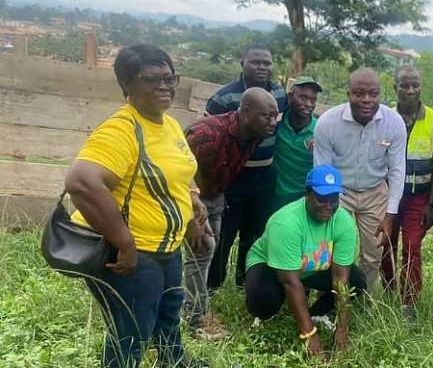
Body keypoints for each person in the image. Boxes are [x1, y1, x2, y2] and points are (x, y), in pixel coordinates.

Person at [64, 44, 207, 368]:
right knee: (132, 329)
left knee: (169, 310)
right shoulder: (122, 129)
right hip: (133, 255)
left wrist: (194, 199)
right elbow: (81, 182)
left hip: (165, 247)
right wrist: (123, 242)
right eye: (152, 79)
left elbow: (179, 170)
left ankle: (173, 361)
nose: (164, 87)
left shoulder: (167, 123)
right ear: (126, 85)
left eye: (170, 78)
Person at [183, 87, 279, 341]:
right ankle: (194, 321)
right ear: (245, 112)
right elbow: (176, 173)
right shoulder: (207, 134)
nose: (273, 123)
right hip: (189, 199)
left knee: (205, 254)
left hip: (215, 196)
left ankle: (193, 312)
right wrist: (192, 214)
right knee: (198, 254)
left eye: (275, 117)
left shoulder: (254, 133)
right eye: (267, 116)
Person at [244, 165, 366, 356]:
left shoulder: (343, 222)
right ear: (307, 194)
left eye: (333, 200)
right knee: (262, 300)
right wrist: (309, 334)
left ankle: (316, 313)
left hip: (310, 267)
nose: (328, 206)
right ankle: (272, 314)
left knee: (357, 282)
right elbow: (290, 282)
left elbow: (341, 280)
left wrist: (343, 328)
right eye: (321, 199)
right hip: (272, 266)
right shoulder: (286, 223)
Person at [314, 67, 407, 291]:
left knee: (373, 255)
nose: (367, 100)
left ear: (381, 95)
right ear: (348, 94)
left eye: (373, 94)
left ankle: (363, 302)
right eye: (359, 93)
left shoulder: (394, 123)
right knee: (333, 251)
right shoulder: (328, 123)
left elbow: (397, 170)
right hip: (338, 192)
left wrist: (390, 214)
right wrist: (326, 205)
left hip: (375, 191)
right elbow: (322, 170)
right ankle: (330, 301)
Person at [205, 43, 289, 289]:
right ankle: (213, 286)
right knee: (224, 235)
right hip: (233, 178)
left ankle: (246, 283)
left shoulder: (280, 94)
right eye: (256, 62)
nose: (262, 67)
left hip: (265, 178)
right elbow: (209, 137)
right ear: (242, 63)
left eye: (267, 62)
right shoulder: (224, 97)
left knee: (255, 235)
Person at [379, 65, 433, 315]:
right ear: (395, 87)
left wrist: (431, 204)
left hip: (419, 197)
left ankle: (409, 303)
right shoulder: (383, 117)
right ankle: (387, 292)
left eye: (415, 85)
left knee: (412, 247)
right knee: (385, 244)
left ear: (421, 87)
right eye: (404, 85)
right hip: (387, 195)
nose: (410, 90)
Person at [272, 76, 323, 210]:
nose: (308, 104)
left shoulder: (320, 131)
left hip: (303, 199)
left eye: (313, 100)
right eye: (303, 97)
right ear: (290, 96)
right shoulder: (276, 123)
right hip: (273, 196)